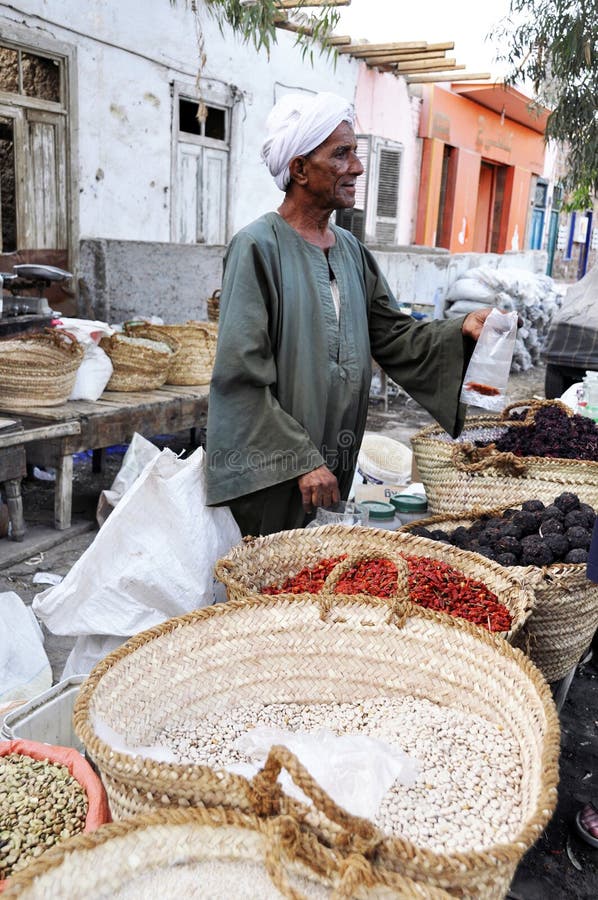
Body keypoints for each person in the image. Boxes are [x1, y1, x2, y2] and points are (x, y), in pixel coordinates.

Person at [206, 91, 495, 536]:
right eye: (341, 154)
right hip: (276, 471)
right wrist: (300, 459)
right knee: (264, 583)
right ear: (300, 168)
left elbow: (394, 335)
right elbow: (240, 376)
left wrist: (461, 331)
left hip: (334, 465)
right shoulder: (257, 247)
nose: (357, 167)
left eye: (355, 153)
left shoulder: (352, 252)